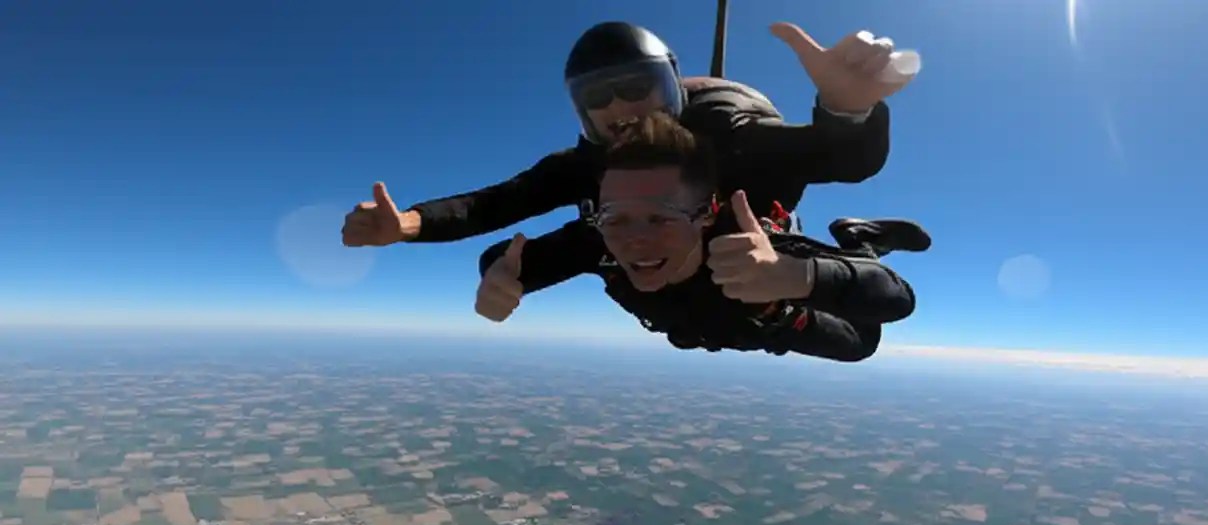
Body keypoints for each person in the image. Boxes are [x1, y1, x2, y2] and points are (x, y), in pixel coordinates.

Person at [340, 20, 922, 257]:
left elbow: (841, 159)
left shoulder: (730, 135)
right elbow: (496, 202)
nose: (618, 107)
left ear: (670, 86)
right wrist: (408, 224)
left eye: (635, 86)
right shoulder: (587, 165)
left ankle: (859, 240)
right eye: (598, 98)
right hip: (685, 258)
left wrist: (848, 108)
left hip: (751, 234)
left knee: (854, 339)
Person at [472, 112, 919, 363]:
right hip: (717, 326)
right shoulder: (599, 242)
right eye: (615, 217)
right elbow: (512, 261)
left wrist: (792, 277)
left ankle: (857, 239)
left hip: (765, 323)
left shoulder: (743, 247)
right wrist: (496, 276)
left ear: (706, 215)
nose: (635, 240)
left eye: (661, 218)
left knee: (862, 343)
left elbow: (895, 298)